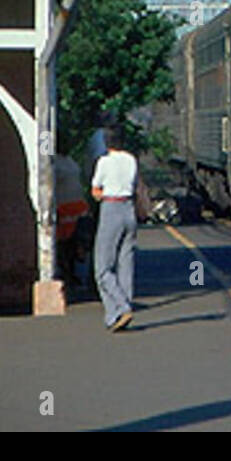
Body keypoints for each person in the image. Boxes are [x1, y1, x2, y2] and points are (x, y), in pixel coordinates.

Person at [91, 127, 139, 332]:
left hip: (111, 208)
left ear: (106, 142)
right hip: (129, 210)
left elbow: (96, 190)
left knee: (102, 267)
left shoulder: (104, 162)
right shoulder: (131, 160)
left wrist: (98, 195)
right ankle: (115, 315)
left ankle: (120, 307)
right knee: (125, 264)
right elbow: (134, 185)